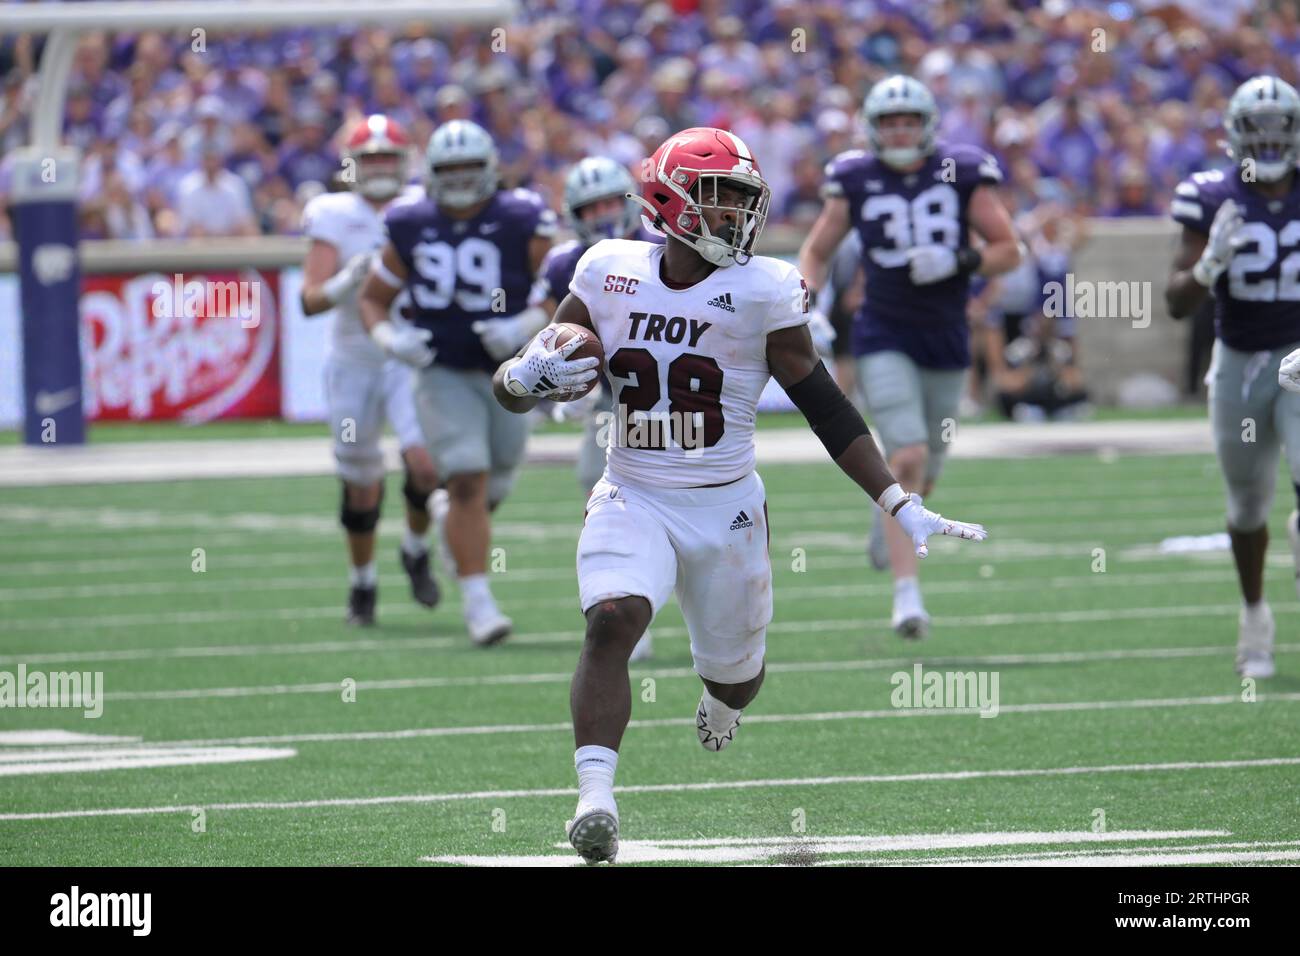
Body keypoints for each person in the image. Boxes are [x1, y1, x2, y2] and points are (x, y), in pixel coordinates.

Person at [491, 127, 988, 863]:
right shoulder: (604, 270)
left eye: (743, 201)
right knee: (612, 620)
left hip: (726, 507)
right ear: (671, 199)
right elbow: (527, 377)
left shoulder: (764, 289)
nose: (736, 216)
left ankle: (721, 702)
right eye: (721, 198)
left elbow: (825, 405)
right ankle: (595, 797)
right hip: (634, 490)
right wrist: (519, 380)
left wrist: (896, 501)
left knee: (738, 680)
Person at [798, 75, 1020, 639]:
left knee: (930, 466)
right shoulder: (854, 176)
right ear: (873, 128)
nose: (900, 131)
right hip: (883, 332)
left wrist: (958, 261)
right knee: (911, 454)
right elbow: (818, 250)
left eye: (909, 121)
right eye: (890, 121)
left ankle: (888, 520)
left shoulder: (964, 169)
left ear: (927, 125)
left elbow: (1008, 250)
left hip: (947, 336)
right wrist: (805, 301)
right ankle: (907, 595)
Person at [358, 119, 556, 645]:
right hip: (442, 369)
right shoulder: (411, 221)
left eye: (471, 167)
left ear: (490, 167)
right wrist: (390, 340)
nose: (463, 179)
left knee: (497, 479)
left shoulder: (520, 216)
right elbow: (373, 297)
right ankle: (478, 603)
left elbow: (565, 284)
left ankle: (451, 525)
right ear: (432, 173)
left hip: (512, 371)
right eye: (452, 169)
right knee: (467, 475)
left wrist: (527, 322)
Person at [1176, 76, 1300, 680]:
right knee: (1248, 503)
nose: (1272, 142)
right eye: (1260, 131)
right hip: (1239, 363)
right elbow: (1176, 302)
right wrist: (1207, 264)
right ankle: (1254, 613)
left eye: (1282, 130)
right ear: (1237, 135)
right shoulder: (1210, 195)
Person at [299, 115, 439, 625]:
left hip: (405, 355)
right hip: (355, 361)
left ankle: (415, 547)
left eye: (388, 157)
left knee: (426, 465)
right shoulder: (333, 212)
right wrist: (344, 283)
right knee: (362, 480)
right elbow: (310, 300)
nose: (380, 167)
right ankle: (363, 584)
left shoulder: (425, 206)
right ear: (354, 166)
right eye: (371, 158)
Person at [531, 156, 658, 661]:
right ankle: (624, 607)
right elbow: (549, 333)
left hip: (664, 389)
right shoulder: (566, 262)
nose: (605, 214)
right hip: (609, 394)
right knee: (598, 484)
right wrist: (558, 386)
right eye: (593, 206)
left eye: (611, 202)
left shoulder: (661, 249)